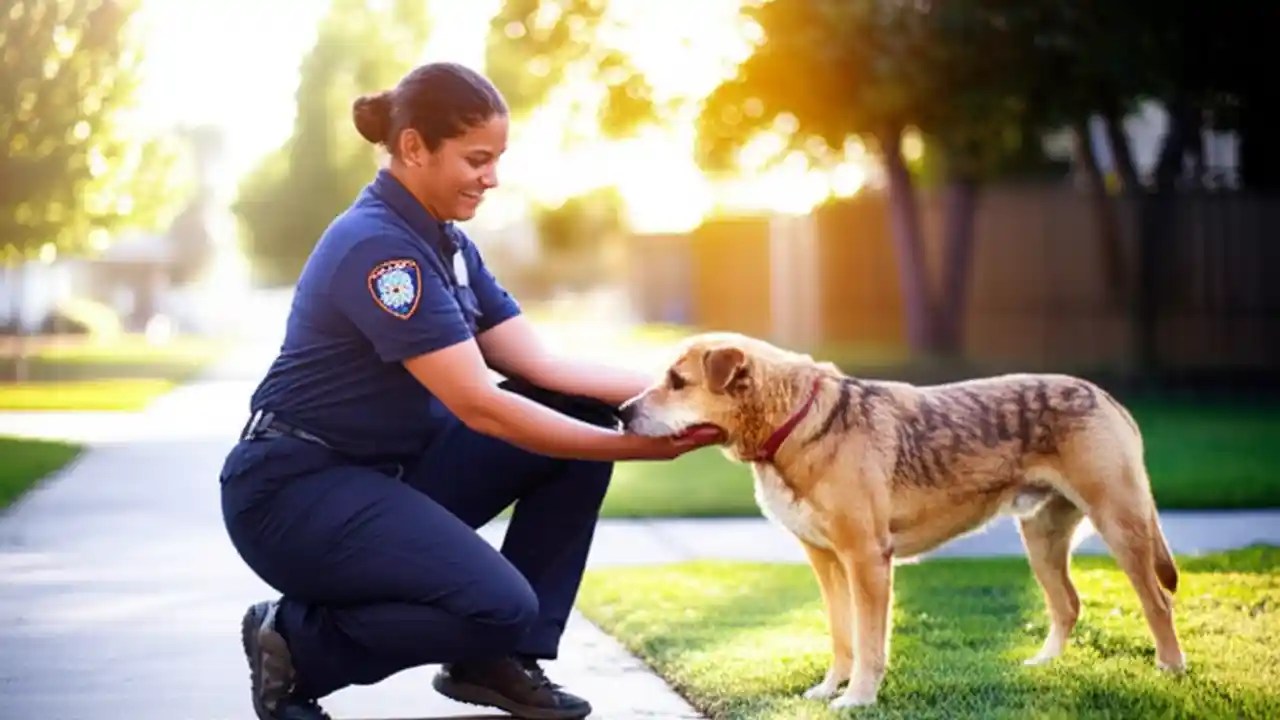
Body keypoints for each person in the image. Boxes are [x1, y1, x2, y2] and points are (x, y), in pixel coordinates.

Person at [219, 61, 723, 720]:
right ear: (413, 149)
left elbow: (545, 369)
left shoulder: (447, 244)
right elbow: (481, 407)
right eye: (477, 159)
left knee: (579, 413)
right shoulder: (380, 250)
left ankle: (498, 661)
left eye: (498, 159)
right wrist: (634, 450)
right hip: (296, 494)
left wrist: (707, 402)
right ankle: (297, 644)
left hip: (386, 476)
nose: (492, 178)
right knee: (499, 603)